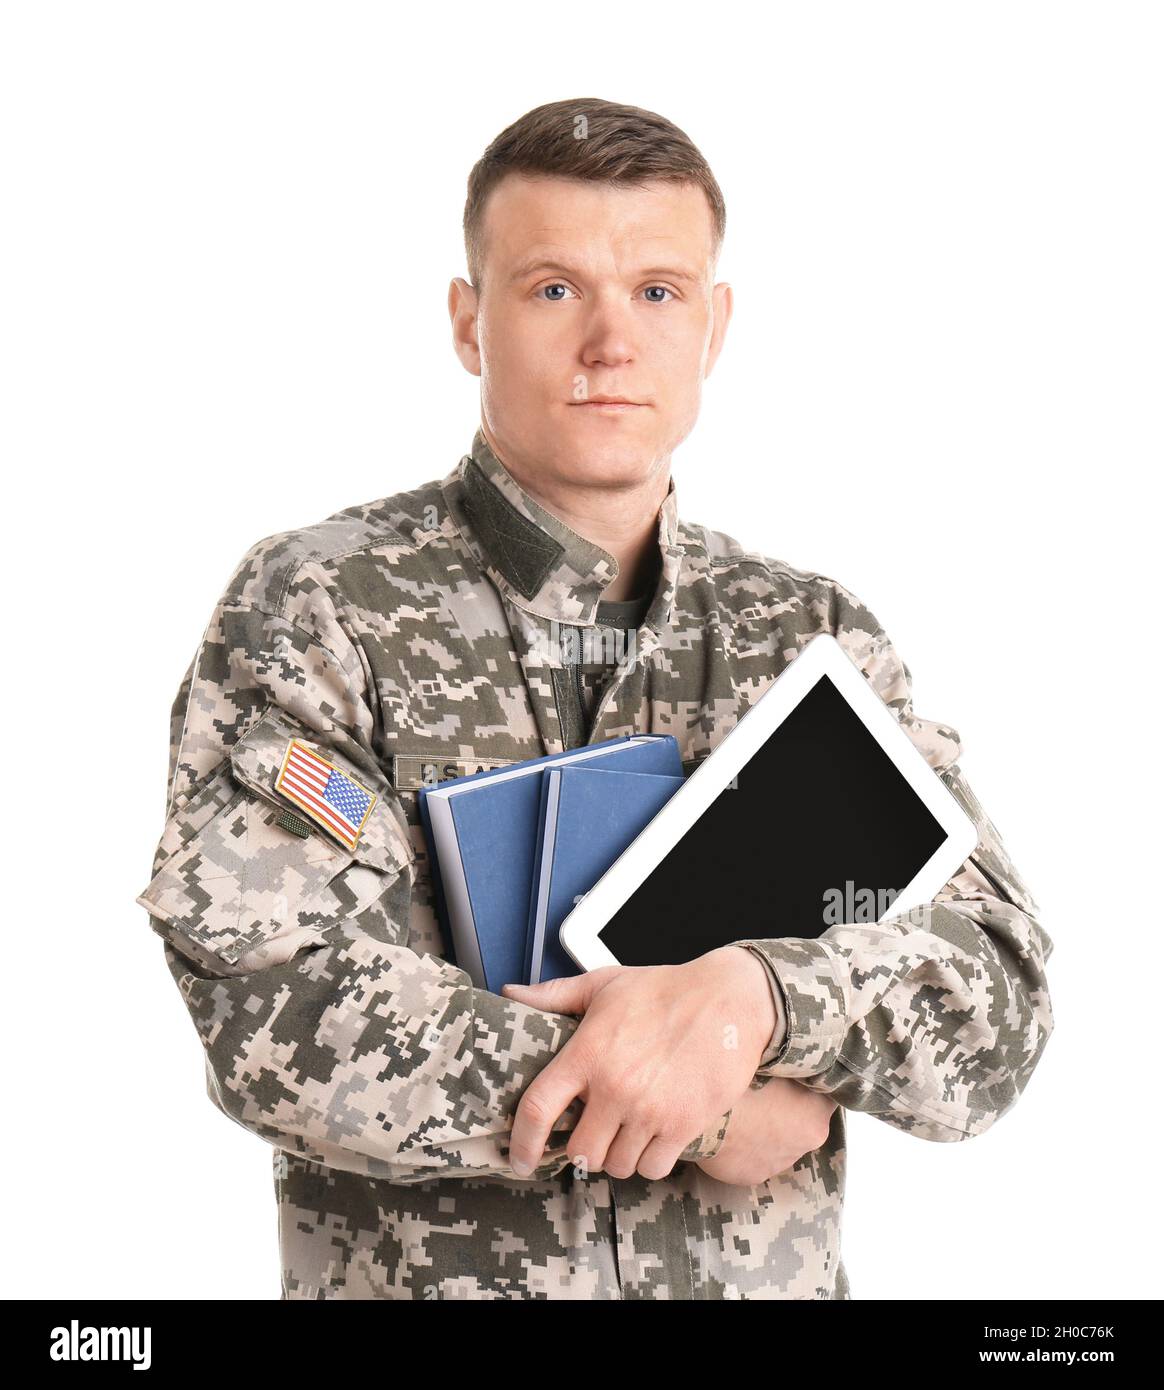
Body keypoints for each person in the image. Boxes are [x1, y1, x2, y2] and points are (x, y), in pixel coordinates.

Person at [137, 97, 1055, 1300]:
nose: (613, 340)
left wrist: (760, 1003)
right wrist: (704, 1103)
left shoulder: (812, 636)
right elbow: (275, 1006)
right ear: (470, 322)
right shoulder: (321, 605)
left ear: (715, 327)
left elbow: (995, 997)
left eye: (659, 291)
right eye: (555, 289)